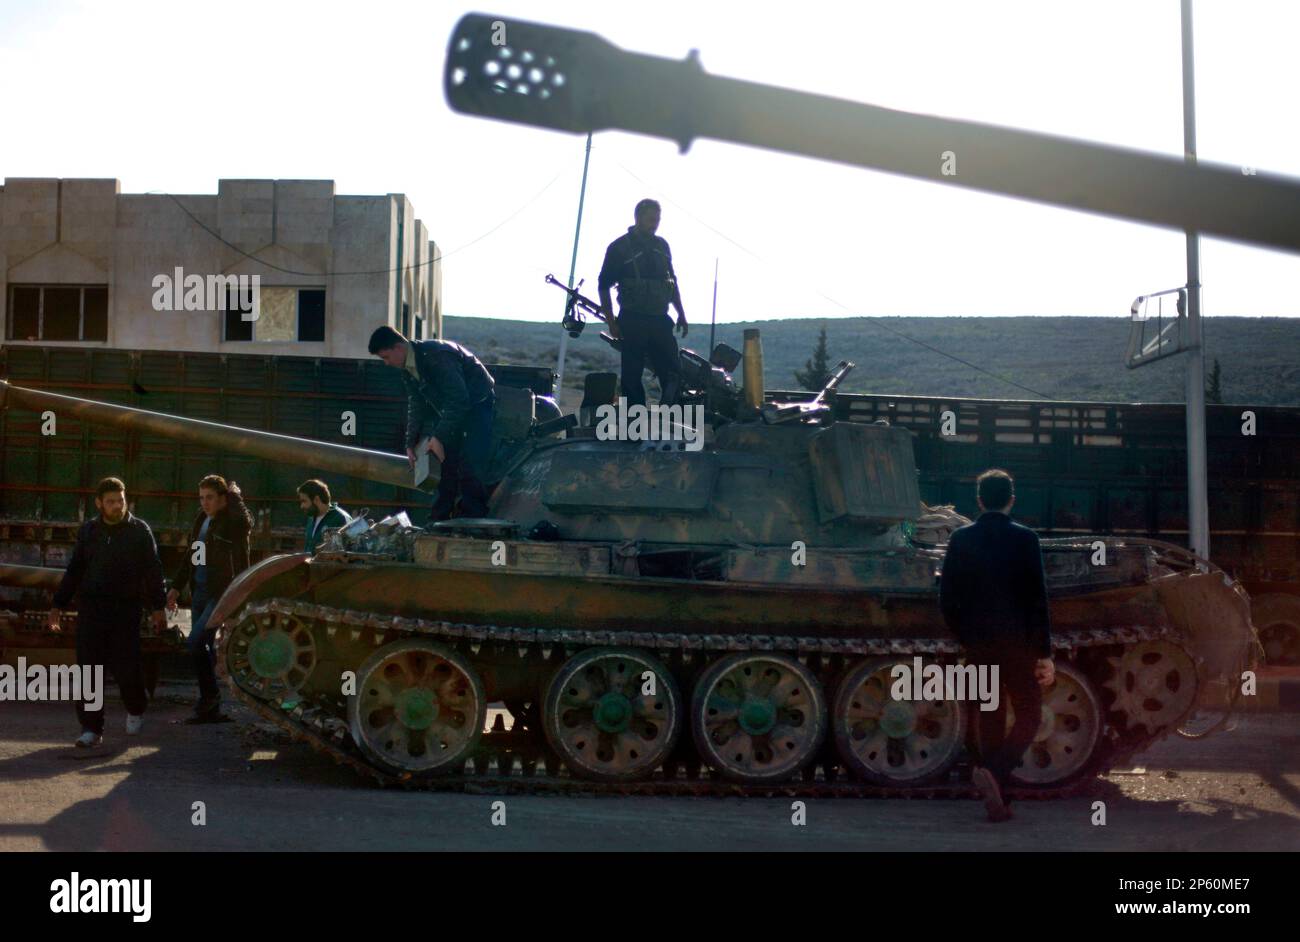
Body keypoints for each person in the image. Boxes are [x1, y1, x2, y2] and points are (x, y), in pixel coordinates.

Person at [938, 468, 1055, 822]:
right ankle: (997, 772)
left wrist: (965, 636)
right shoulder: (1026, 539)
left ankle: (998, 799)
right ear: (1011, 500)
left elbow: (947, 598)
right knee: (1030, 715)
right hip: (1018, 646)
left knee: (990, 716)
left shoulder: (961, 539)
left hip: (979, 646)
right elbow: (1038, 599)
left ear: (978, 500)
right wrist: (1044, 653)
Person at [49, 477, 166, 748]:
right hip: (92, 608)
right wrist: (58, 604)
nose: (117, 506)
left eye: (121, 501)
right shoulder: (90, 531)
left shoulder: (139, 531)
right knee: (89, 669)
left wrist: (158, 607)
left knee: (127, 667)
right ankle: (91, 728)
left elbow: (153, 569)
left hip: (125, 609)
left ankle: (136, 709)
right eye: (111, 502)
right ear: (100, 503)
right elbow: (75, 569)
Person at [368, 325, 496, 523]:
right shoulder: (408, 367)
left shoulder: (437, 357)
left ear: (398, 348)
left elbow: (460, 399)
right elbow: (417, 404)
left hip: (477, 404)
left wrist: (439, 437)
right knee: (445, 464)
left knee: (471, 462)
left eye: (386, 357)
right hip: (451, 408)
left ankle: (472, 518)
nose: (386, 363)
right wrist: (410, 443)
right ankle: (440, 518)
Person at [166, 475, 251, 723]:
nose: (205, 503)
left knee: (194, 643)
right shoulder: (203, 520)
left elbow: (246, 523)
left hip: (221, 593)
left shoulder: (232, 522)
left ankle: (211, 698)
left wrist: (234, 498)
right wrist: (176, 587)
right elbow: (194, 556)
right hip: (200, 590)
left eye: (210, 498)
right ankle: (210, 705)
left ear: (223, 499)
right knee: (201, 646)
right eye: (202, 498)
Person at [598, 198, 688, 408]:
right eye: (651, 219)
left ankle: (670, 422)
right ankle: (632, 428)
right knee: (631, 376)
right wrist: (612, 323)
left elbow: (672, 282)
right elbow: (603, 285)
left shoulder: (662, 246)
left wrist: (681, 314)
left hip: (660, 319)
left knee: (673, 373)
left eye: (657, 219)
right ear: (638, 218)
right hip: (632, 319)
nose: (655, 223)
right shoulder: (619, 248)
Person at [298, 479, 351, 552]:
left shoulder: (341, 518)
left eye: (304, 501)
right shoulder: (311, 517)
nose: (301, 506)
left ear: (316, 499)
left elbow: (349, 553)